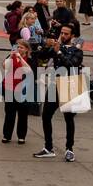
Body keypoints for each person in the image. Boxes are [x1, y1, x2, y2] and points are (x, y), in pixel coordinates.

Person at [34, 25, 84, 162]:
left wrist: (59, 53)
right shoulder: (57, 47)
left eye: (66, 33)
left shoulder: (77, 51)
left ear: (72, 36)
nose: (63, 35)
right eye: (62, 33)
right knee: (46, 116)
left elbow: (72, 65)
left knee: (69, 118)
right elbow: (41, 56)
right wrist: (47, 46)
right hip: (54, 84)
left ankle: (69, 149)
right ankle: (48, 147)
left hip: (69, 85)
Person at [0, 40, 33, 145]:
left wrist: (20, 58)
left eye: (21, 47)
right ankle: (7, 135)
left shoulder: (30, 59)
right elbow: (4, 66)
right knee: (9, 112)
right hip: (9, 87)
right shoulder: (11, 56)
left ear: (26, 49)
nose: (19, 49)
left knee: (23, 113)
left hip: (23, 89)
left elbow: (29, 71)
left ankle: (21, 136)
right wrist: (11, 56)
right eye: (18, 47)